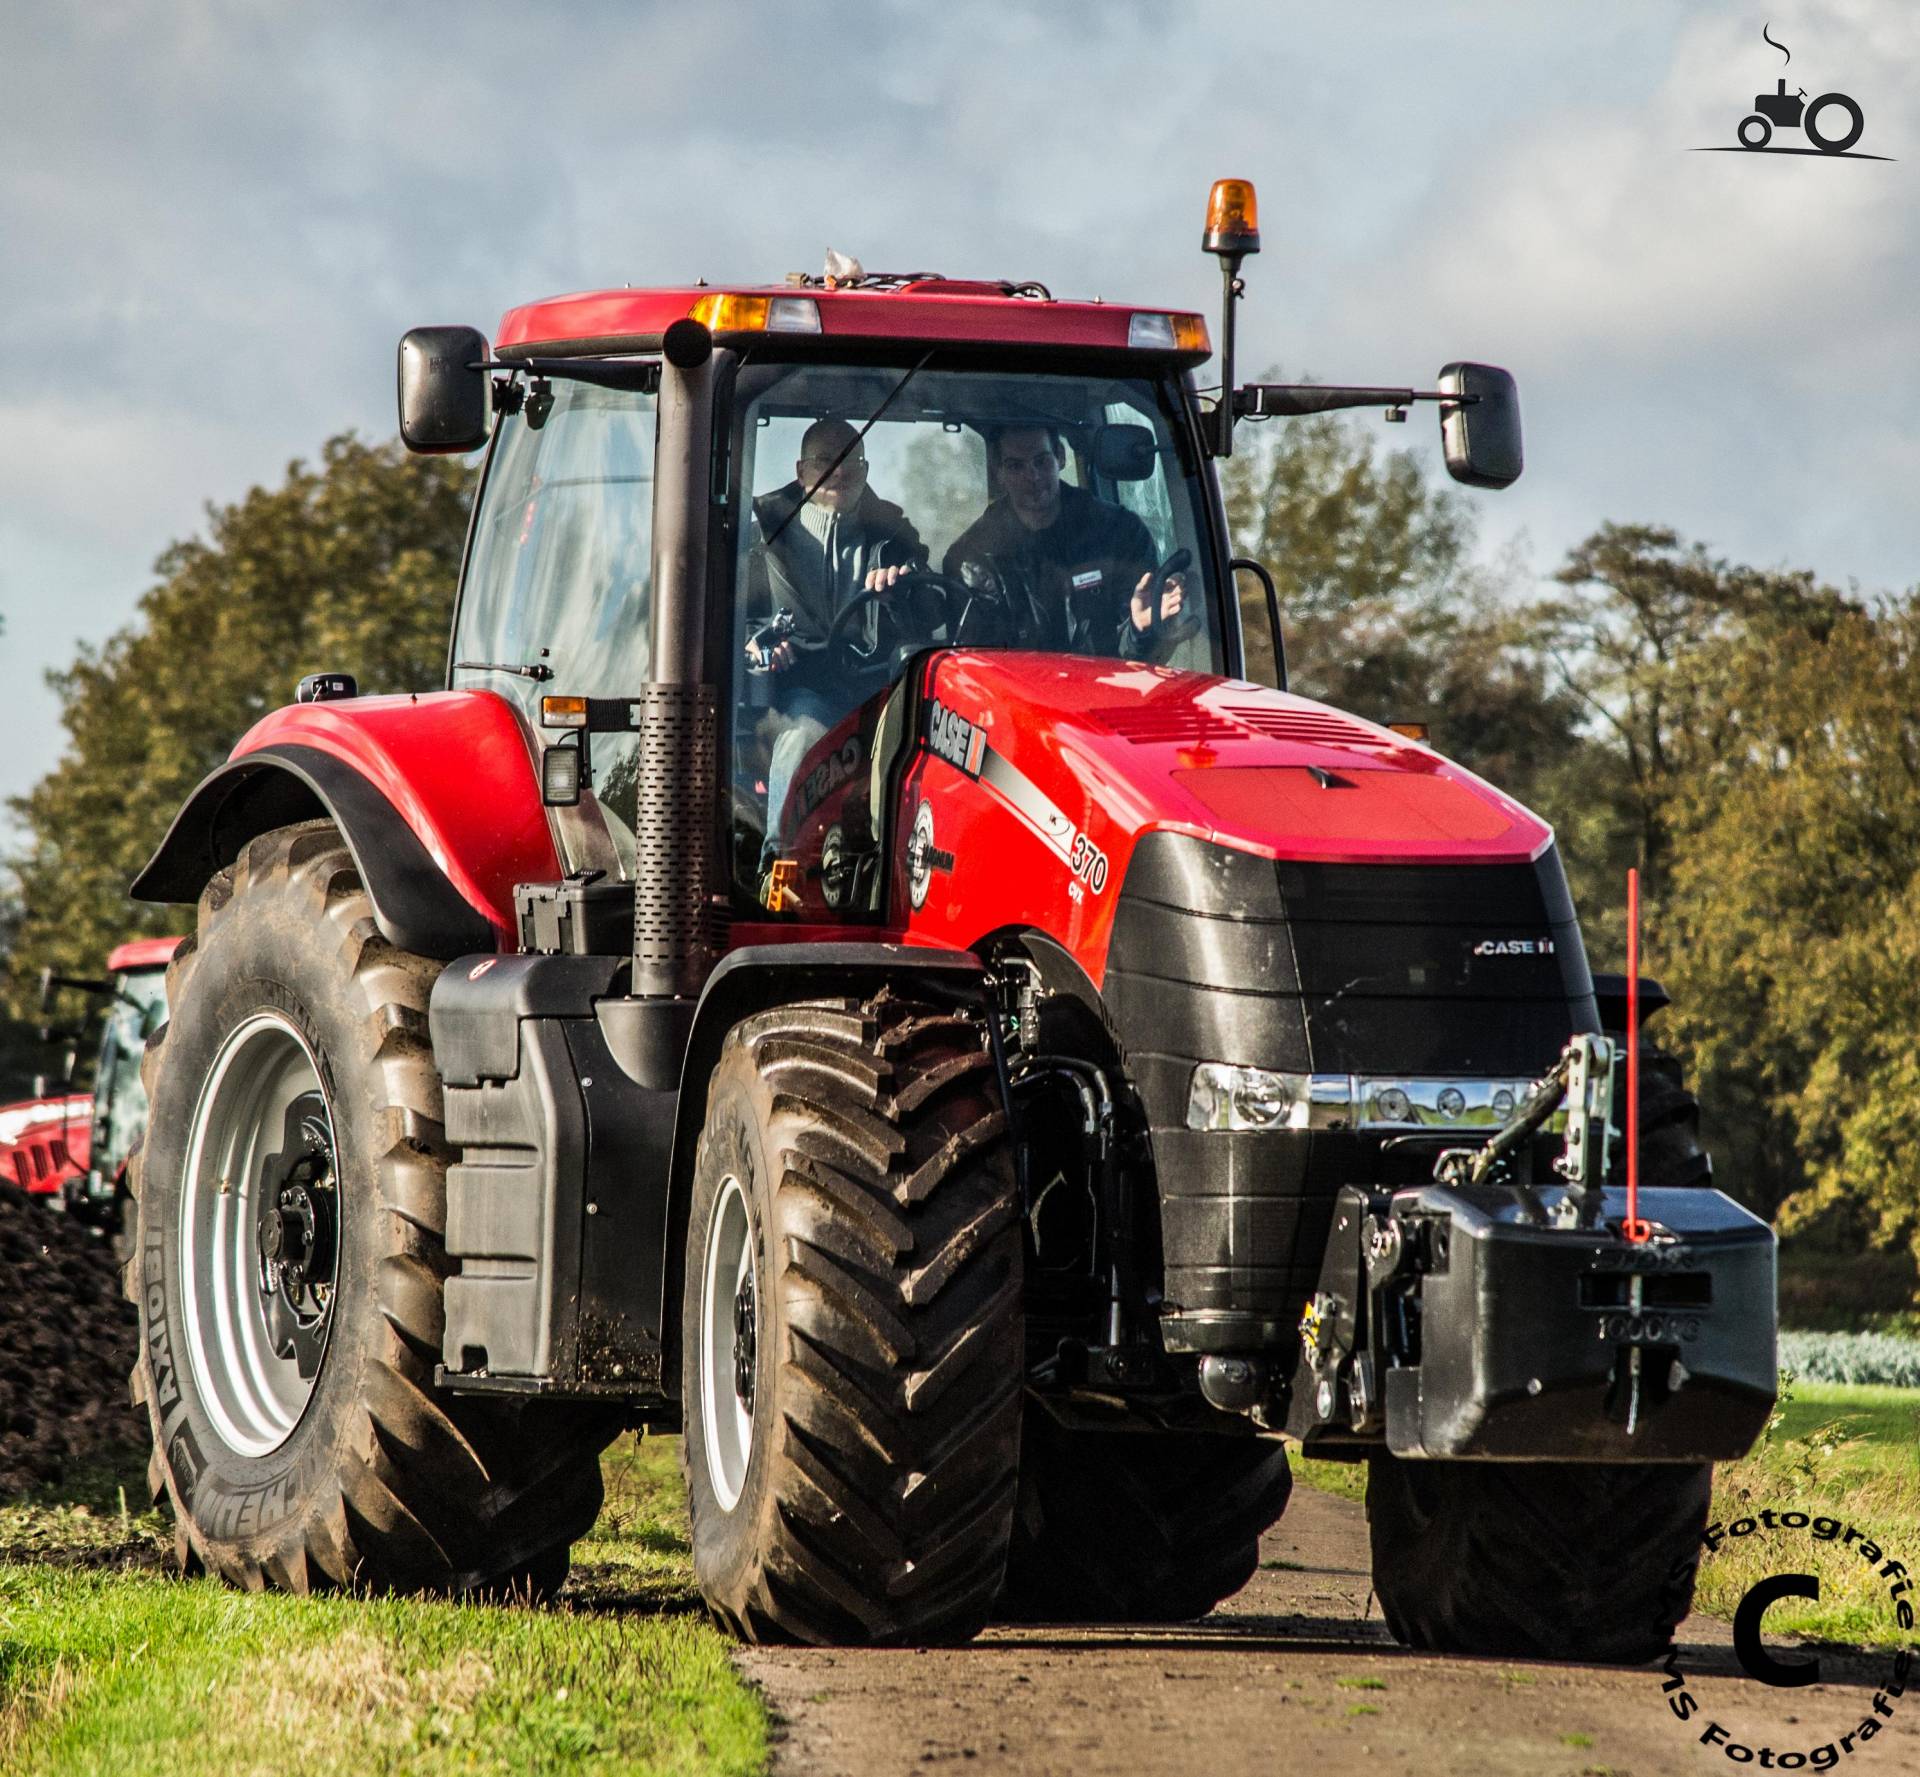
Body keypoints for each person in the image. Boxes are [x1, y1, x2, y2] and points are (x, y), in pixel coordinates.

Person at [742, 417, 928, 876]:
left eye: (851, 462)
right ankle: (778, 860)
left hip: (882, 689)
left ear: (865, 471)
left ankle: (900, 872)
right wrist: (755, 643)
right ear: (801, 469)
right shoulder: (761, 537)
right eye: (827, 461)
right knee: (803, 735)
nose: (839, 473)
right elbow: (733, 616)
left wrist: (901, 592)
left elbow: (930, 613)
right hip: (801, 688)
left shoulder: (895, 538)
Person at [941, 424, 1189, 660]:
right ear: (1000, 474)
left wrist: (1139, 628)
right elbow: (975, 673)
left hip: (1109, 693)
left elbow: (1142, 658)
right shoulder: (971, 560)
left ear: (1060, 457)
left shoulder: (1119, 533)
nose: (1033, 476)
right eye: (1016, 466)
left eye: (1041, 461)